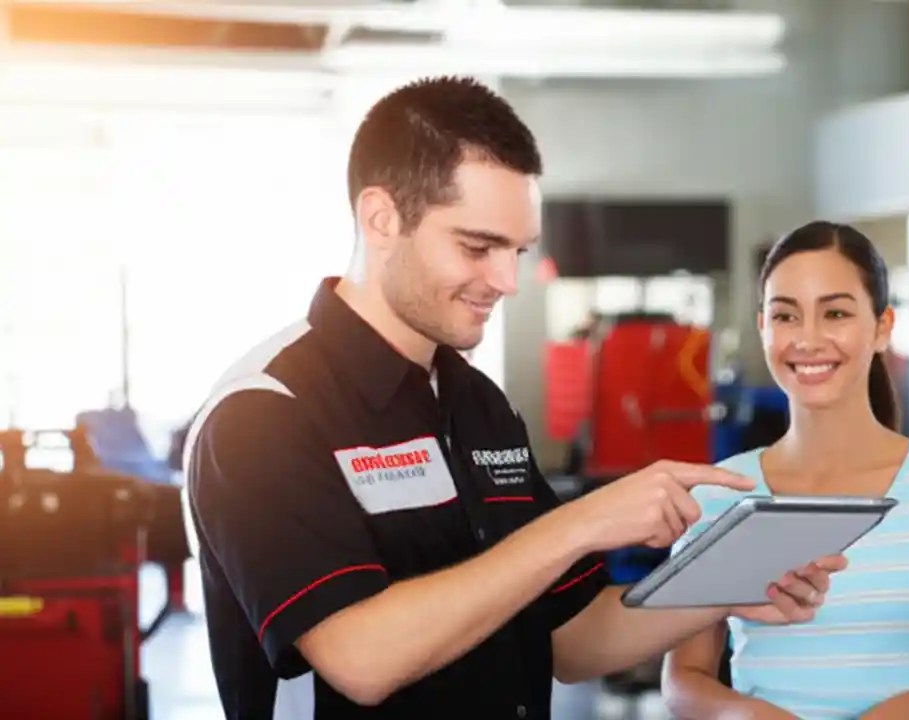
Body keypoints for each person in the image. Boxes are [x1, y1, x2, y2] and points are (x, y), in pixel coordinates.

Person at [182, 76, 847, 720]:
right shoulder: (262, 415)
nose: (508, 280)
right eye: (479, 247)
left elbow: (573, 638)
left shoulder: (478, 404)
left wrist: (726, 588)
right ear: (381, 218)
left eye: (519, 250)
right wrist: (582, 522)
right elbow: (362, 660)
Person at [661, 221, 909, 719]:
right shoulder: (717, 494)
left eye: (834, 313)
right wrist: (749, 716)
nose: (808, 339)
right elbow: (684, 677)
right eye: (786, 316)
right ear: (763, 328)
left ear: (882, 327)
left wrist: (908, 714)